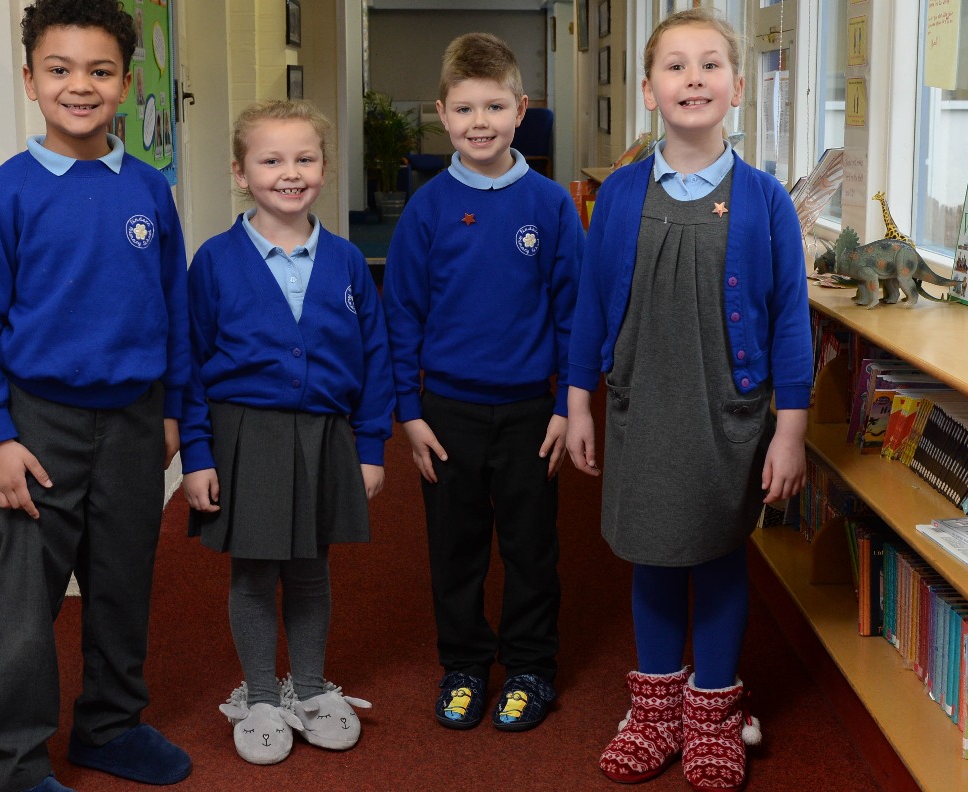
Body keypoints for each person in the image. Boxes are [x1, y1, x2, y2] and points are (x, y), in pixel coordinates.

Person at [565, 9, 814, 791]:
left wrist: (790, 433)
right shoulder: (621, 194)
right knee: (654, 555)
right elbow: (591, 307)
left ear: (739, 87)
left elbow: (789, 326)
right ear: (649, 90)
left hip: (727, 416)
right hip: (643, 406)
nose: (694, 78)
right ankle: (654, 710)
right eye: (676, 66)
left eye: (711, 65)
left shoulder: (767, 200)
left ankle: (711, 713)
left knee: (716, 553)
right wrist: (576, 403)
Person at [0, 1, 192, 789]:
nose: (79, 86)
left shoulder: (151, 191)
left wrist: (169, 409)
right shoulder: (4, 194)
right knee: (25, 604)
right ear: (30, 79)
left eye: (99, 71)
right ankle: (15, 763)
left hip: (131, 422)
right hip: (35, 428)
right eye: (59, 69)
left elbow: (172, 307)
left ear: (125, 83)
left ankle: (110, 726)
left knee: (122, 584)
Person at [179, 100, 393, 766]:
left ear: (324, 169)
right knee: (253, 572)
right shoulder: (214, 262)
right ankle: (262, 696)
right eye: (271, 160)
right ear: (241, 172)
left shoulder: (349, 261)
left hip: (325, 436)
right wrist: (197, 453)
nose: (289, 173)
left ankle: (308, 688)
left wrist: (369, 445)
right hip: (246, 436)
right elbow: (188, 363)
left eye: (304, 158)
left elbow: (375, 356)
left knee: (311, 569)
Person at [384, 32, 582, 733]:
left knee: (532, 549)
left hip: (531, 411)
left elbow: (573, 315)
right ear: (442, 113)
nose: (479, 123)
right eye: (464, 109)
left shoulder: (552, 206)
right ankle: (464, 664)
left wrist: (567, 406)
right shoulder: (428, 209)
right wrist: (408, 414)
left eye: (494, 107)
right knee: (456, 549)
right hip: (447, 414)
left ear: (520, 109)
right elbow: (400, 315)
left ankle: (531, 667)